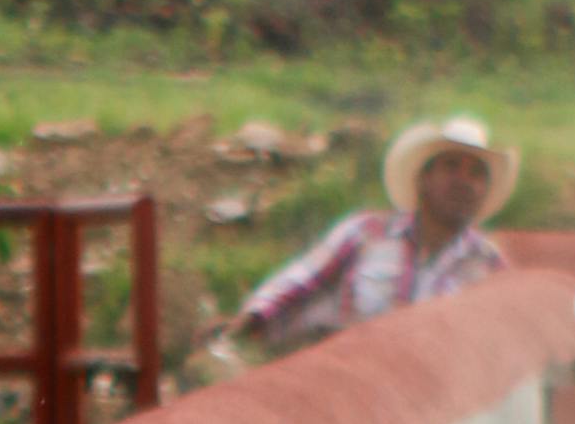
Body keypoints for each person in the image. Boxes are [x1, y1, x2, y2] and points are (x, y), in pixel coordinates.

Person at [222, 112, 518, 357]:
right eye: (452, 167)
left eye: (476, 174)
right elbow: (301, 279)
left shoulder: (488, 266)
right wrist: (250, 321)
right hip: (350, 387)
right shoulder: (365, 233)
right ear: (424, 179)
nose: (463, 182)